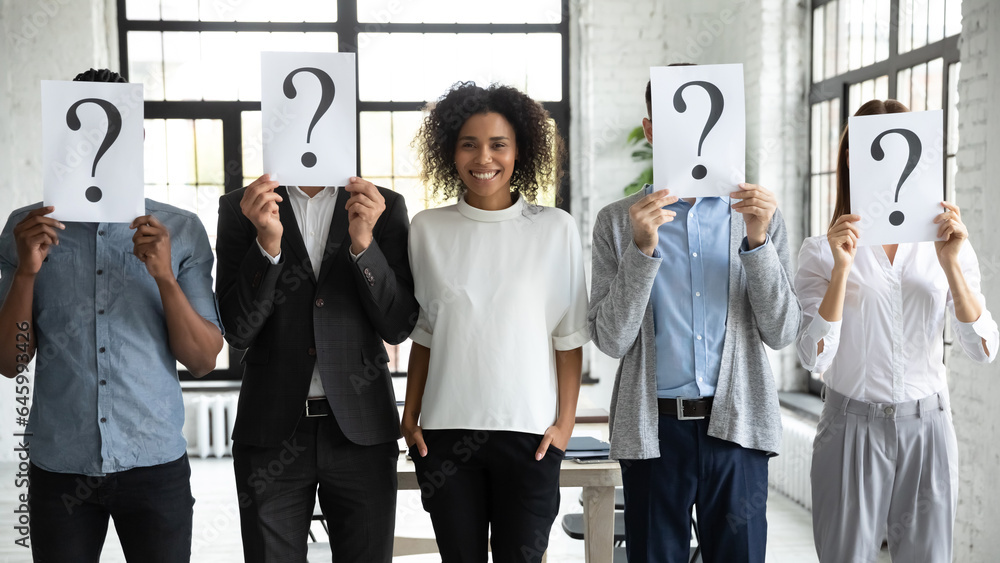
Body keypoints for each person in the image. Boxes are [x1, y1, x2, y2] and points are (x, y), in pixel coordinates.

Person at [0, 68, 224, 563]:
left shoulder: (180, 230)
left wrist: (164, 277)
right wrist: (25, 275)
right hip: (60, 467)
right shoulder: (23, 229)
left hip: (154, 463)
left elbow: (204, 359)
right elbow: (11, 361)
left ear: (137, 137)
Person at [588, 79, 801, 563]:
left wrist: (757, 243)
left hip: (738, 428)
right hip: (654, 431)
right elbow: (612, 340)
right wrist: (643, 250)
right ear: (649, 130)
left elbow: (783, 331)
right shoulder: (618, 222)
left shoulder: (758, 217)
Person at [795, 99, 998, 563]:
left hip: (928, 428)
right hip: (850, 428)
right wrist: (842, 270)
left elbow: (984, 348)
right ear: (851, 159)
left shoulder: (947, 247)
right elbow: (814, 357)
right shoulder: (820, 252)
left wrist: (951, 266)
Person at [400, 82, 589, 562]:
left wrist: (564, 424)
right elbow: (426, 331)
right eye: (469, 143)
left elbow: (567, 338)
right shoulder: (427, 229)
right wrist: (410, 413)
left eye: (498, 144)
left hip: (530, 436)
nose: (484, 157)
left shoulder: (555, 229)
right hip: (445, 435)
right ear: (451, 151)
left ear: (519, 150)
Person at [216, 159, 418, 562]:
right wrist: (266, 246)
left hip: (361, 430)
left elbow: (397, 326)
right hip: (271, 431)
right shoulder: (242, 207)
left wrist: (364, 245)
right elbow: (238, 331)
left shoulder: (383, 206)